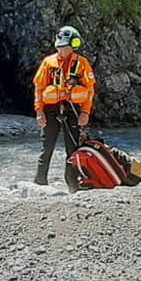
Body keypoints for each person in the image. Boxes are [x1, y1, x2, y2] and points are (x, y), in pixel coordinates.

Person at [32, 25, 96, 190]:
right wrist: (39, 112)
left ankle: (72, 185)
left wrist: (85, 112)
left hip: (72, 110)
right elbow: (39, 88)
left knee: (73, 150)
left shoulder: (82, 64)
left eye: (66, 46)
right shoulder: (48, 63)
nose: (63, 49)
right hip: (50, 110)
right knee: (46, 148)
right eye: (61, 46)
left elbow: (89, 90)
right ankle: (40, 183)